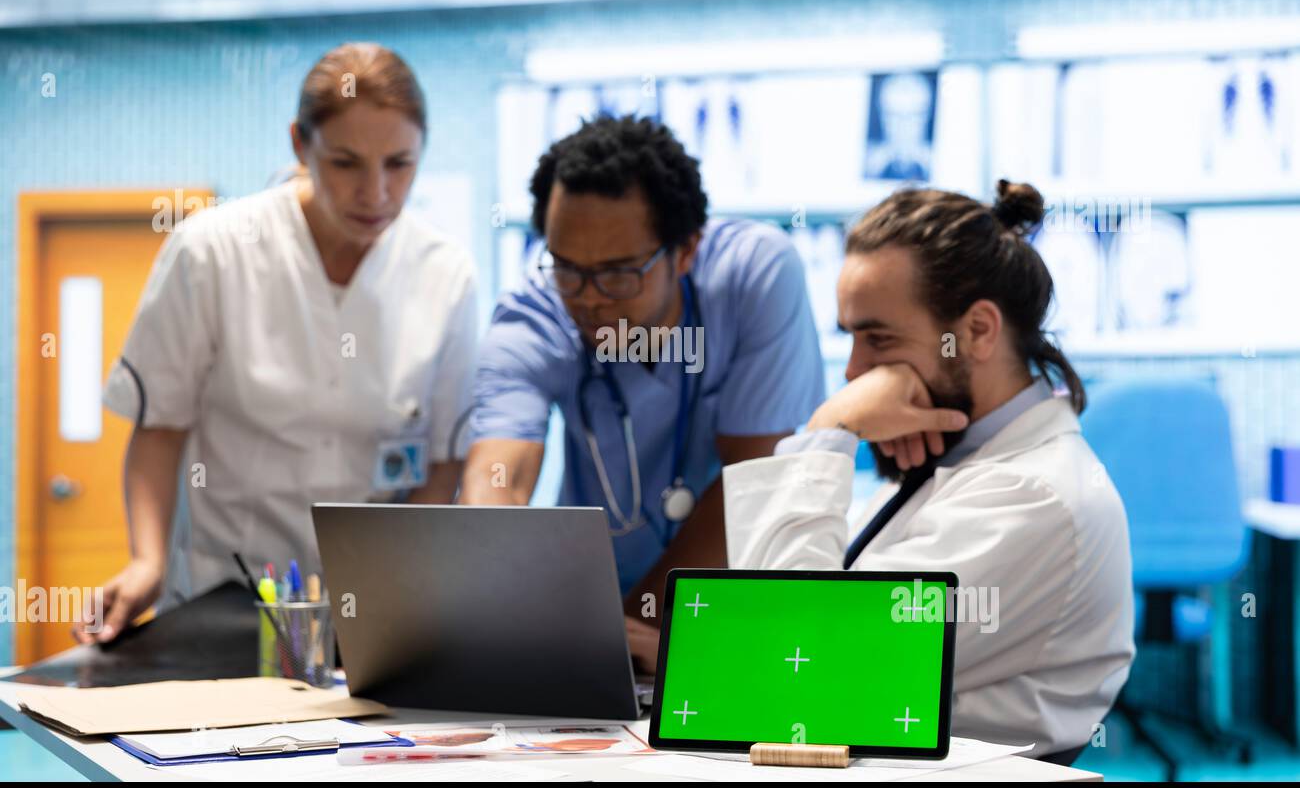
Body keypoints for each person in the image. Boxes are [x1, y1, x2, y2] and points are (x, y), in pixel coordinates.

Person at [663, 180, 1134, 759]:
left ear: (978, 331)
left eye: (878, 339)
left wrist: (828, 431)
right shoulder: (952, 459)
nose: (856, 370)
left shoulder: (1033, 496)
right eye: (852, 339)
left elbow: (796, 672)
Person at [74, 43, 478, 643]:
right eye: (345, 162)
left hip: (373, 611)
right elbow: (159, 426)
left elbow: (445, 462)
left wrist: (396, 585)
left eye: (399, 164)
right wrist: (148, 561)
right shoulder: (212, 251)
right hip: (222, 597)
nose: (376, 193)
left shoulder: (444, 274)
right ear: (299, 143)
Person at [461, 115, 824, 626]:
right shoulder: (533, 317)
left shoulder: (753, 277)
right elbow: (497, 476)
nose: (587, 298)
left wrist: (627, 634)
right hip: (590, 610)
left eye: (617, 274)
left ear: (685, 252)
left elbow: (752, 480)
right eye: (566, 268)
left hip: (727, 607)